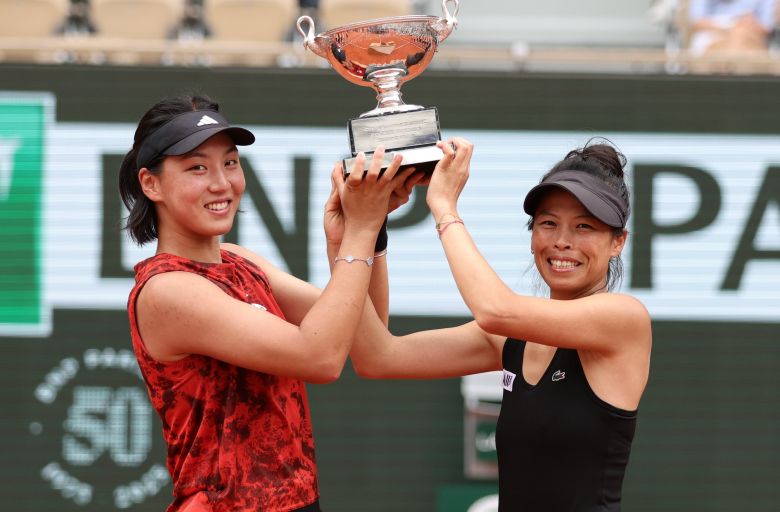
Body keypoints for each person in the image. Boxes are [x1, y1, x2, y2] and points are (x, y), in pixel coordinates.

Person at [118, 93, 421, 512]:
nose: (222, 183)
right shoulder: (167, 289)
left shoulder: (240, 260)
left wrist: (368, 230)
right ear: (151, 184)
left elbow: (365, 334)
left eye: (230, 162)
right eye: (197, 168)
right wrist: (359, 231)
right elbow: (320, 358)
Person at [347, 138, 652, 510]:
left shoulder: (623, 318)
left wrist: (444, 208)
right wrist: (366, 230)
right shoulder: (511, 338)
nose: (562, 241)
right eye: (548, 224)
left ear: (618, 242)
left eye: (584, 227)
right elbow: (377, 357)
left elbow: (494, 309)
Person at [688, 0, 776, 55]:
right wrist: (730, 27)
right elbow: (697, 22)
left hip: (750, 35)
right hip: (712, 35)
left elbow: (766, 27)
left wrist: (747, 24)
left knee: (740, 36)